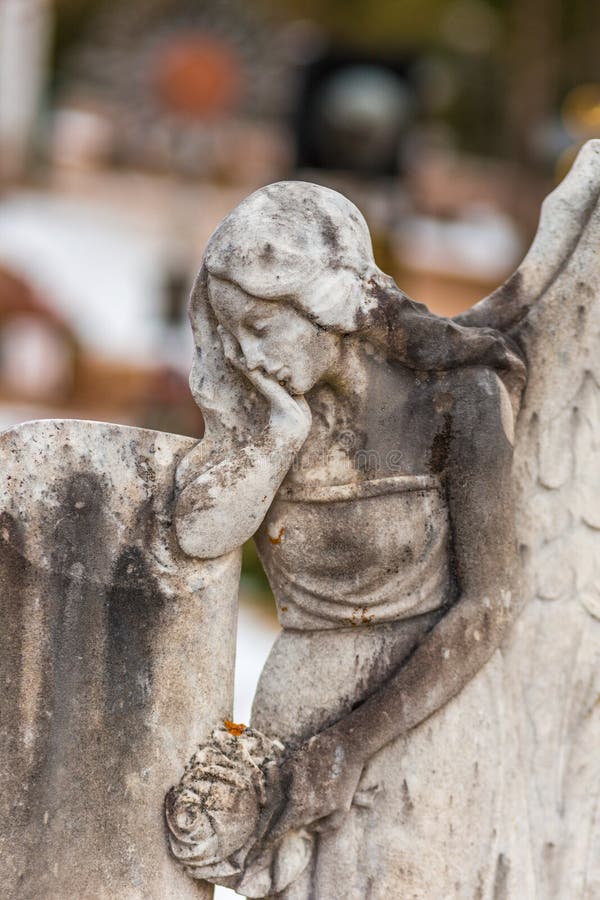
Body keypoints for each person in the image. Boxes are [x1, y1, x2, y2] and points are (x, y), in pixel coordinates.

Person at [175, 181, 534, 898]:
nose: (247, 354)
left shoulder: (457, 399)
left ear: (329, 309)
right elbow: (196, 533)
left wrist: (351, 744)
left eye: (264, 326)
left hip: (418, 716)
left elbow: (492, 601)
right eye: (232, 330)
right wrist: (277, 440)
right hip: (294, 715)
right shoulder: (269, 414)